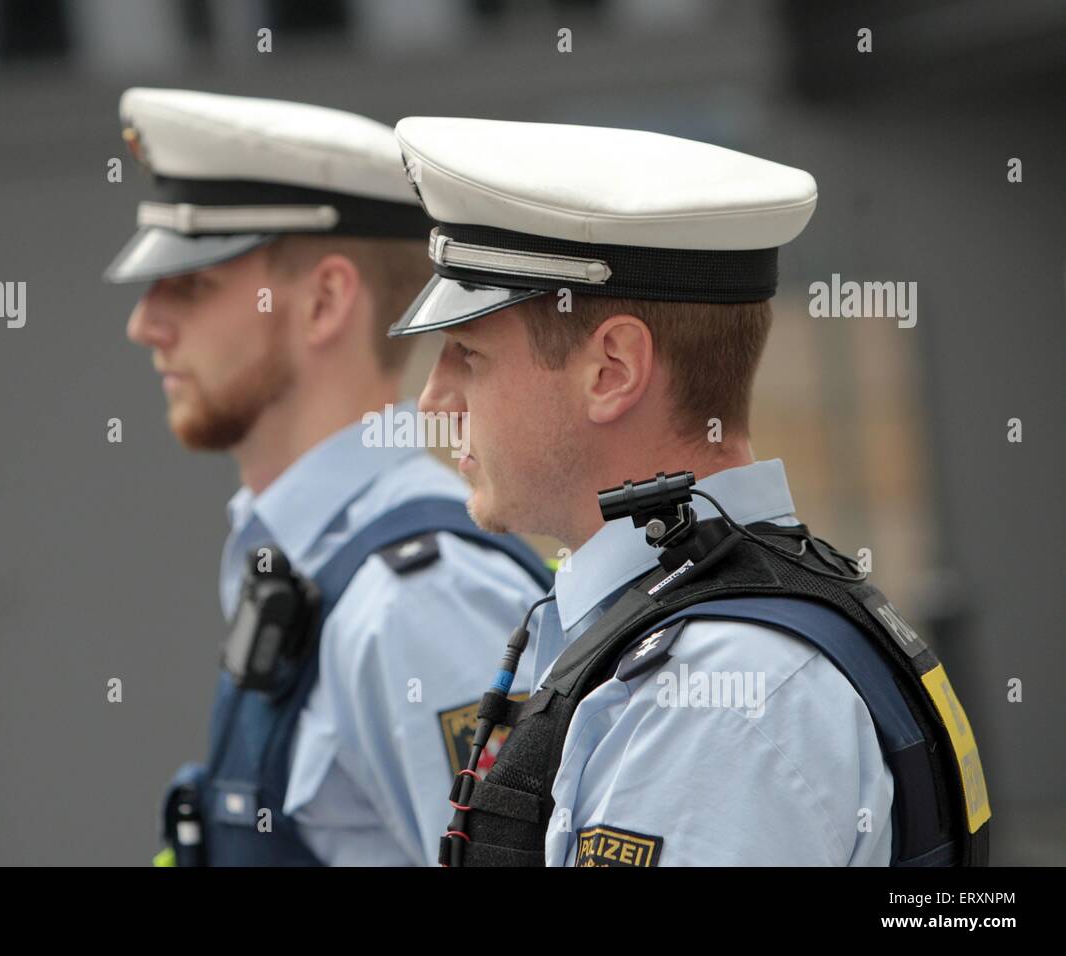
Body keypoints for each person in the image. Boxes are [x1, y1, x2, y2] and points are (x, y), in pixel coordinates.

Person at [387, 117, 990, 866]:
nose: (434, 402)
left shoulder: (724, 700)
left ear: (611, 369)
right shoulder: (670, 637)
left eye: (467, 354)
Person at [103, 91, 550, 866]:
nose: (146, 324)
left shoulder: (417, 599)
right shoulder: (307, 561)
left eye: (194, 284)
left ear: (324, 301)